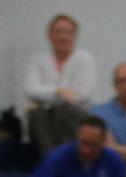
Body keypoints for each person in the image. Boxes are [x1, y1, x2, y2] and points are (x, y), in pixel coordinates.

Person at [23, 13, 97, 153]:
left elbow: (82, 95)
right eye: (58, 32)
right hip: (45, 116)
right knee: (37, 114)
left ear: (75, 36)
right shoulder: (37, 61)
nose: (62, 36)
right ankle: (52, 161)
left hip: (76, 116)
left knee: (63, 112)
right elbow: (30, 89)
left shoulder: (84, 59)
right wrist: (58, 92)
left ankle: (60, 161)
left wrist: (45, 97)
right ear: (49, 36)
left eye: (68, 32)